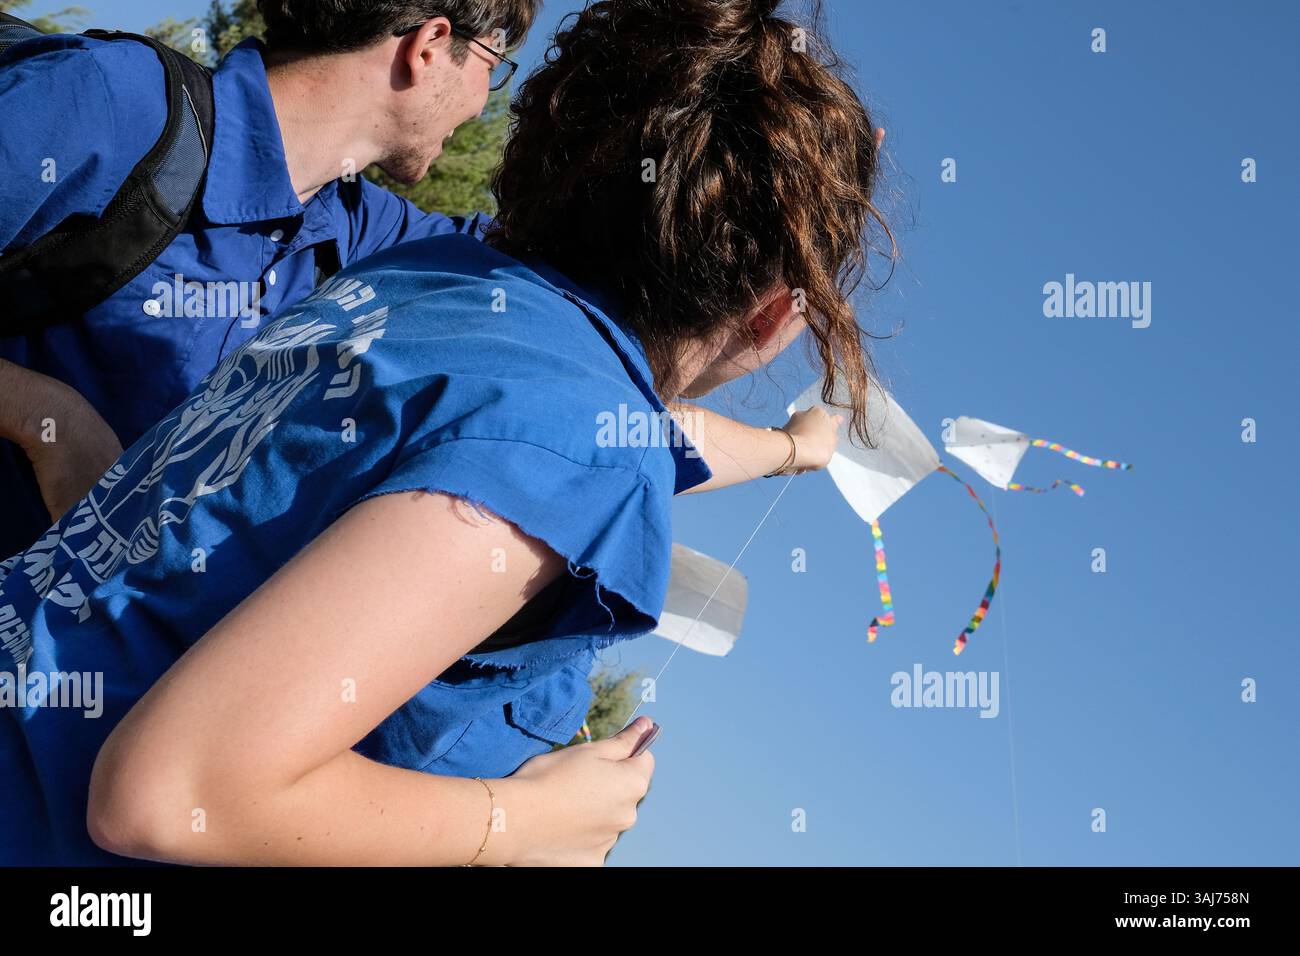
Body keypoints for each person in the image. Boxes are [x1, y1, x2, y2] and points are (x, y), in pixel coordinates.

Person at [0, 0, 887, 866]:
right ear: (775, 318)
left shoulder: (423, 276)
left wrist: (793, 448)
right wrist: (523, 823)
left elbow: (596, 416)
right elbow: (171, 793)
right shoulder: (575, 447)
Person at [0, 0, 538, 558]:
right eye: (491, 64)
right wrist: (49, 419)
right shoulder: (106, 100)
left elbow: (539, 257)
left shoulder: (354, 224)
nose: (480, 107)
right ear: (429, 45)